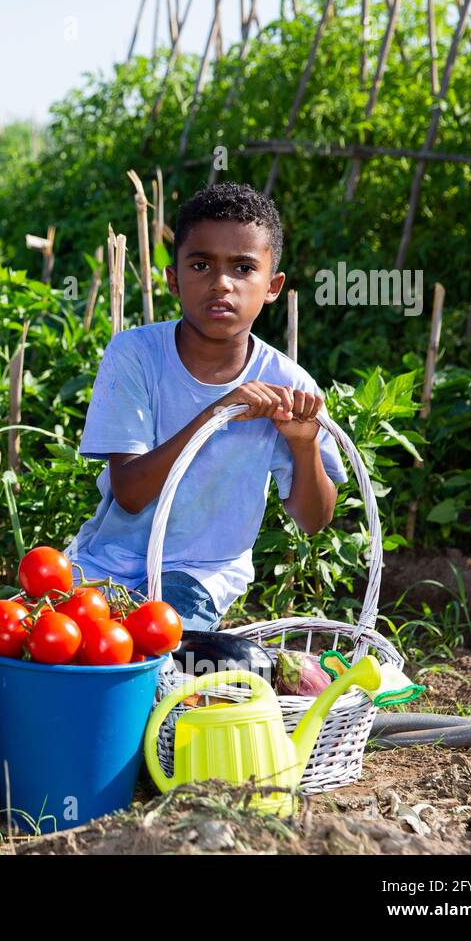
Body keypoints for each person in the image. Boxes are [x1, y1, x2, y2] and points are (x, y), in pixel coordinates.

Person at [66, 182, 347, 630]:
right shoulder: (135, 355)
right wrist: (216, 412)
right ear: (173, 279)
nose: (221, 283)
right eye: (201, 265)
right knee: (43, 646)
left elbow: (314, 521)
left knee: (159, 651)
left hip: (198, 575)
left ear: (272, 286)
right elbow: (131, 494)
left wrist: (304, 446)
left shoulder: (287, 383)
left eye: (243, 268)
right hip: (107, 565)